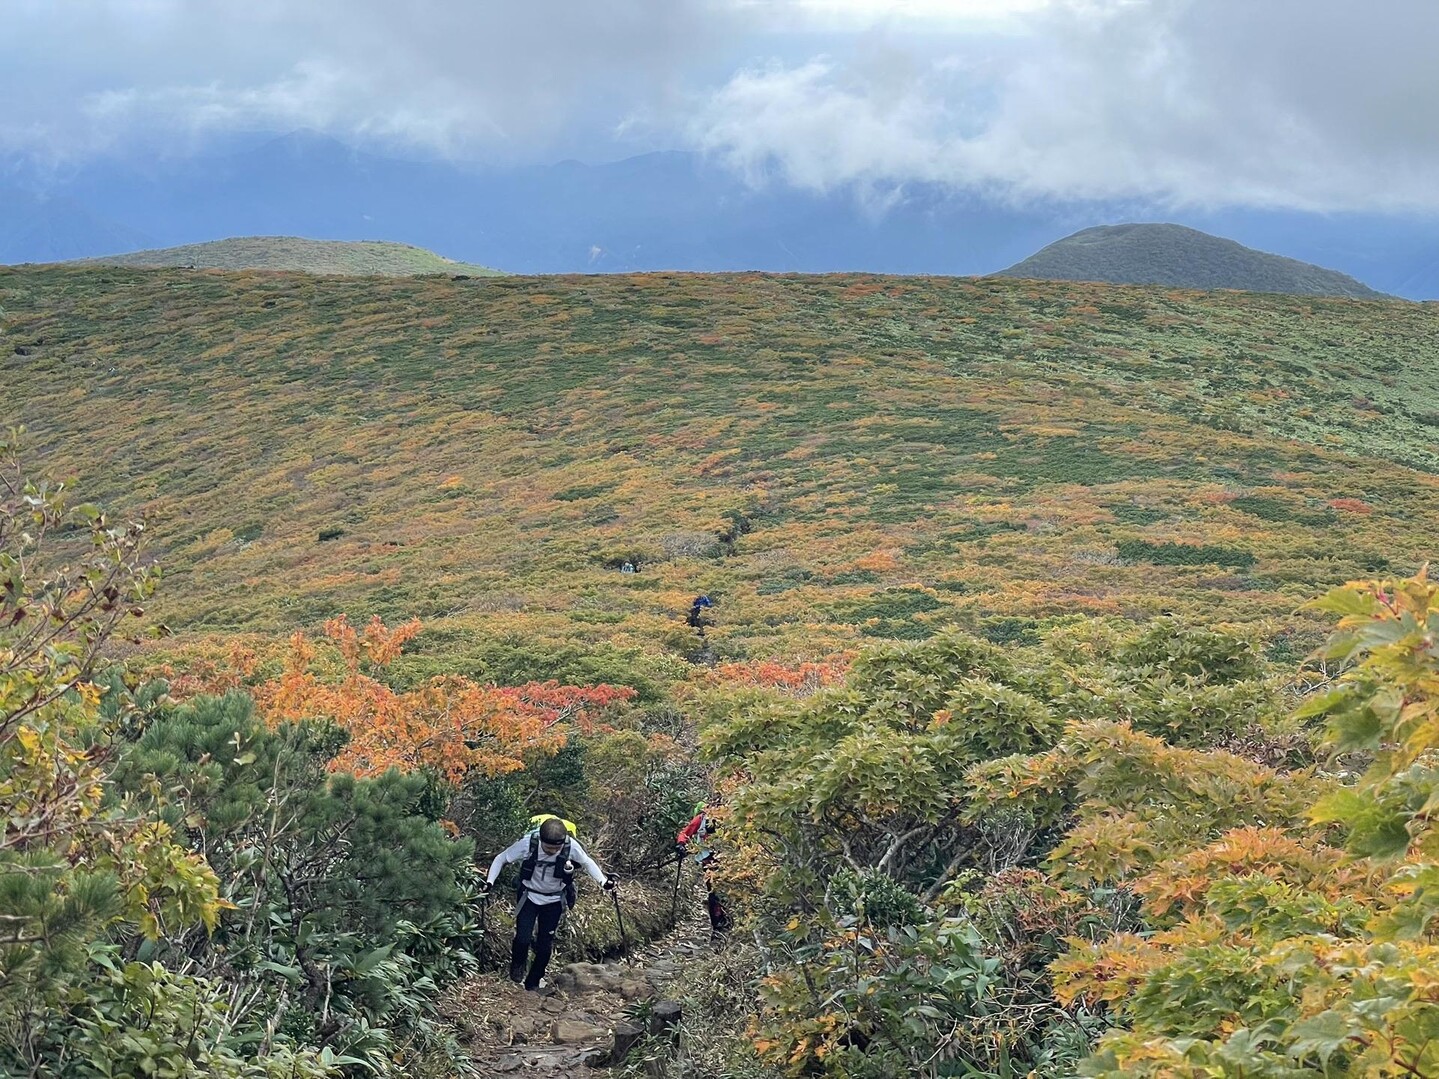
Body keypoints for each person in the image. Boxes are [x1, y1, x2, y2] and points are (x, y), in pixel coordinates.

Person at [482, 816, 614, 992]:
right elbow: (501, 858)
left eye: (556, 848)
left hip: (554, 900)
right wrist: (489, 881)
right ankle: (517, 969)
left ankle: (533, 982)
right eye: (549, 848)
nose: (553, 851)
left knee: (545, 945)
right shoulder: (528, 843)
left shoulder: (570, 846)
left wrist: (604, 882)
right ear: (541, 840)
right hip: (528, 896)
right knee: (522, 938)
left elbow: (587, 863)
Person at [676, 803, 729, 936]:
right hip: (708, 859)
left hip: (727, 859)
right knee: (713, 892)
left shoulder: (728, 819)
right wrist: (681, 844)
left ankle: (724, 924)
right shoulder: (700, 820)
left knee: (723, 892)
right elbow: (685, 833)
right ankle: (718, 926)